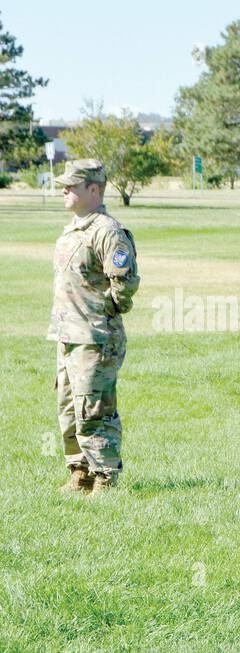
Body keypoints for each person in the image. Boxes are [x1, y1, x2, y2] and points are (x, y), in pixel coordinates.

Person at [48, 159, 139, 496]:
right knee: (69, 407)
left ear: (94, 190)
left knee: (94, 408)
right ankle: (79, 472)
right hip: (67, 334)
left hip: (95, 336)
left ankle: (105, 476)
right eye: (64, 185)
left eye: (71, 185)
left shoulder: (107, 231)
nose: (64, 190)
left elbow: (124, 283)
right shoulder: (73, 229)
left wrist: (108, 312)